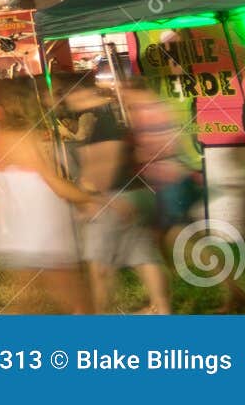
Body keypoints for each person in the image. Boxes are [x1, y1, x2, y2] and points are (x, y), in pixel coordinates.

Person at [0, 79, 92, 314]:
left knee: (28, 301)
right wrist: (93, 200)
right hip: (40, 226)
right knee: (74, 299)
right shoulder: (22, 136)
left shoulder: (6, 133)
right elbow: (53, 183)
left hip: (17, 225)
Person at [60, 74, 170, 314]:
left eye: (70, 95)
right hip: (135, 193)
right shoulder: (103, 117)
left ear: (83, 93)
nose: (68, 101)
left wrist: (90, 198)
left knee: (100, 265)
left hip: (115, 198)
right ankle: (162, 309)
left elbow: (105, 167)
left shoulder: (103, 119)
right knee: (142, 255)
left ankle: (97, 319)